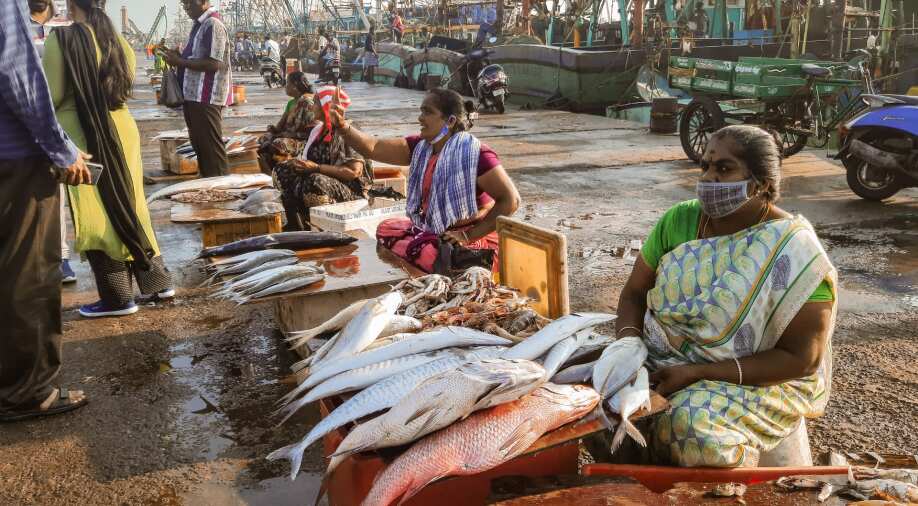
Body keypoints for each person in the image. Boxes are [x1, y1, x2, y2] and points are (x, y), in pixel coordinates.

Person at [615, 125, 837, 468]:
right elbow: (634, 293)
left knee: (689, 425)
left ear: (761, 182)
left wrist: (698, 372)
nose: (708, 178)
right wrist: (628, 346)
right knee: (594, 397)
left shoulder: (794, 250)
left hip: (756, 378)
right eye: (705, 166)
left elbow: (801, 358)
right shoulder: (680, 220)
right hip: (660, 356)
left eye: (724, 169)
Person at [44, 0, 175, 317]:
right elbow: (126, 83)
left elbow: (52, 94)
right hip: (122, 129)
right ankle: (157, 282)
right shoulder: (118, 39)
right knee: (132, 204)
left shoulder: (60, 40)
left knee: (96, 214)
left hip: (84, 135)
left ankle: (117, 297)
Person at [0, 0, 92, 422]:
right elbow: (19, 77)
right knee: (29, 275)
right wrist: (61, 148)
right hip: (16, 159)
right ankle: (30, 391)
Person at [330, 88, 520, 273]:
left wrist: (466, 236)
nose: (420, 118)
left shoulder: (476, 155)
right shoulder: (420, 147)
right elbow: (374, 147)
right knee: (387, 230)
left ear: (450, 121)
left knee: (430, 253)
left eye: (427, 112)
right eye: (421, 111)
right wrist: (342, 126)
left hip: (470, 240)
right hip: (435, 233)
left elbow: (511, 201)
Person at [270, 86, 371, 231]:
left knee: (315, 180)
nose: (312, 107)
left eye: (316, 103)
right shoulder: (318, 130)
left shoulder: (348, 131)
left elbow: (353, 172)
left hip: (351, 191)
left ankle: (324, 228)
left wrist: (317, 168)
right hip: (323, 178)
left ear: (327, 106)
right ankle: (297, 223)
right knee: (282, 170)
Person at [29, 0, 78, 285]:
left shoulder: (68, 25)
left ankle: (60, 256)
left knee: (57, 193)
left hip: (60, 120)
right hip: (22, 119)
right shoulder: (12, 24)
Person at [161, 0, 232, 177]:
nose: (186, 9)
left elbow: (214, 63)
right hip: (193, 95)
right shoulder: (199, 25)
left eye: (189, 4)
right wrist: (180, 57)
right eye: (184, 5)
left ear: (202, 2)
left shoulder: (213, 25)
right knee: (200, 145)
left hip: (206, 95)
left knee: (211, 147)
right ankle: (209, 180)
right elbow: (196, 57)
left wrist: (180, 62)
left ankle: (220, 185)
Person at [256, 71, 315, 174]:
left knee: (277, 144)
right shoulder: (291, 103)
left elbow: (310, 131)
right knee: (263, 140)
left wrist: (288, 134)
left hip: (303, 140)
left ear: (295, 86)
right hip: (287, 136)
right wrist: (273, 129)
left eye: (287, 83)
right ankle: (270, 173)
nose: (285, 86)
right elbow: (280, 125)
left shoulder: (307, 102)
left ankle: (278, 171)